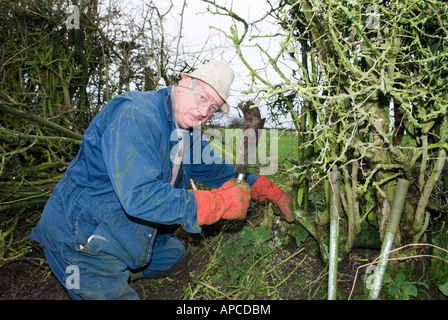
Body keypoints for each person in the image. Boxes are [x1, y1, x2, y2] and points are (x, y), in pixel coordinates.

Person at [28, 61, 294, 300]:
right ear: (183, 83)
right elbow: (139, 196)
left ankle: (125, 270)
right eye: (202, 98)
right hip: (82, 233)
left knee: (177, 258)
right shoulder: (136, 115)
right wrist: (215, 204)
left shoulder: (185, 131)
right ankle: (98, 274)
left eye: (213, 107)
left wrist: (263, 188)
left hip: (132, 228)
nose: (205, 111)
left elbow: (214, 171)